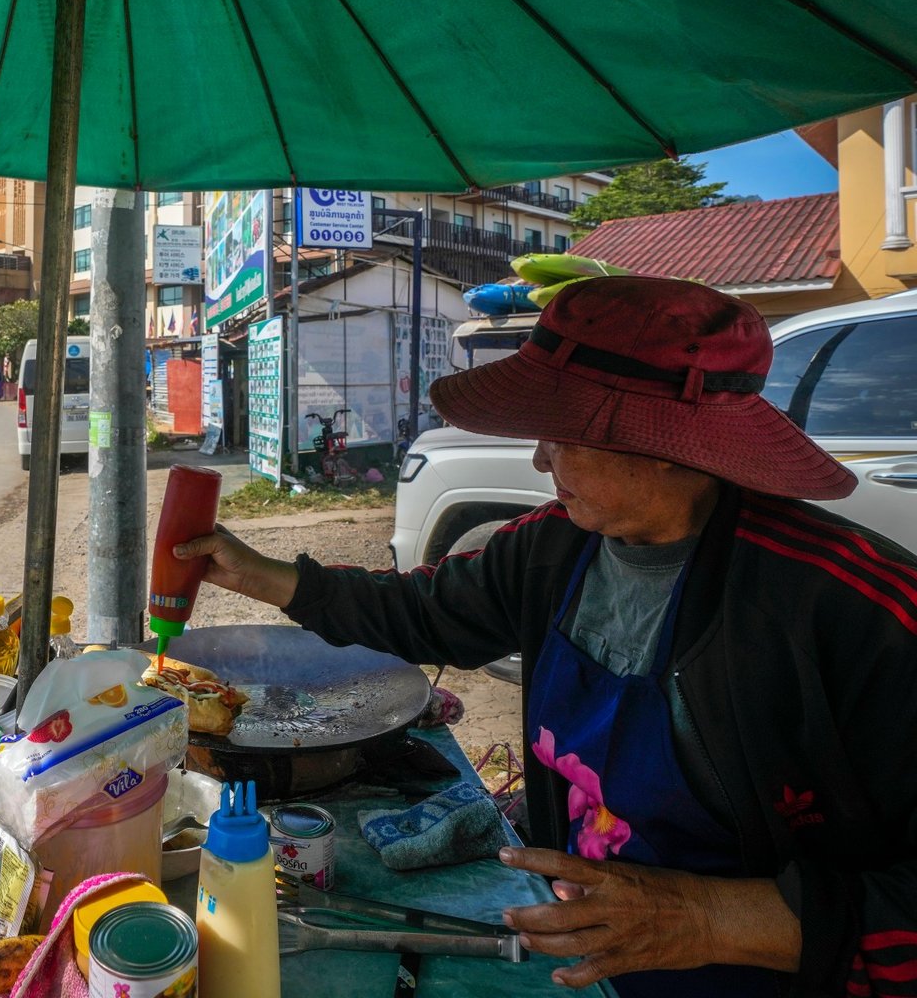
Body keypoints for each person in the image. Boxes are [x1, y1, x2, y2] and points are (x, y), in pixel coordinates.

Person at [176, 277, 917, 997]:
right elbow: (423, 612)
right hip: (585, 957)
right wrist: (256, 575)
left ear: (666, 445)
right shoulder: (558, 544)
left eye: (561, 435)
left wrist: (711, 918)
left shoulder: (855, 611)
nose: (538, 459)